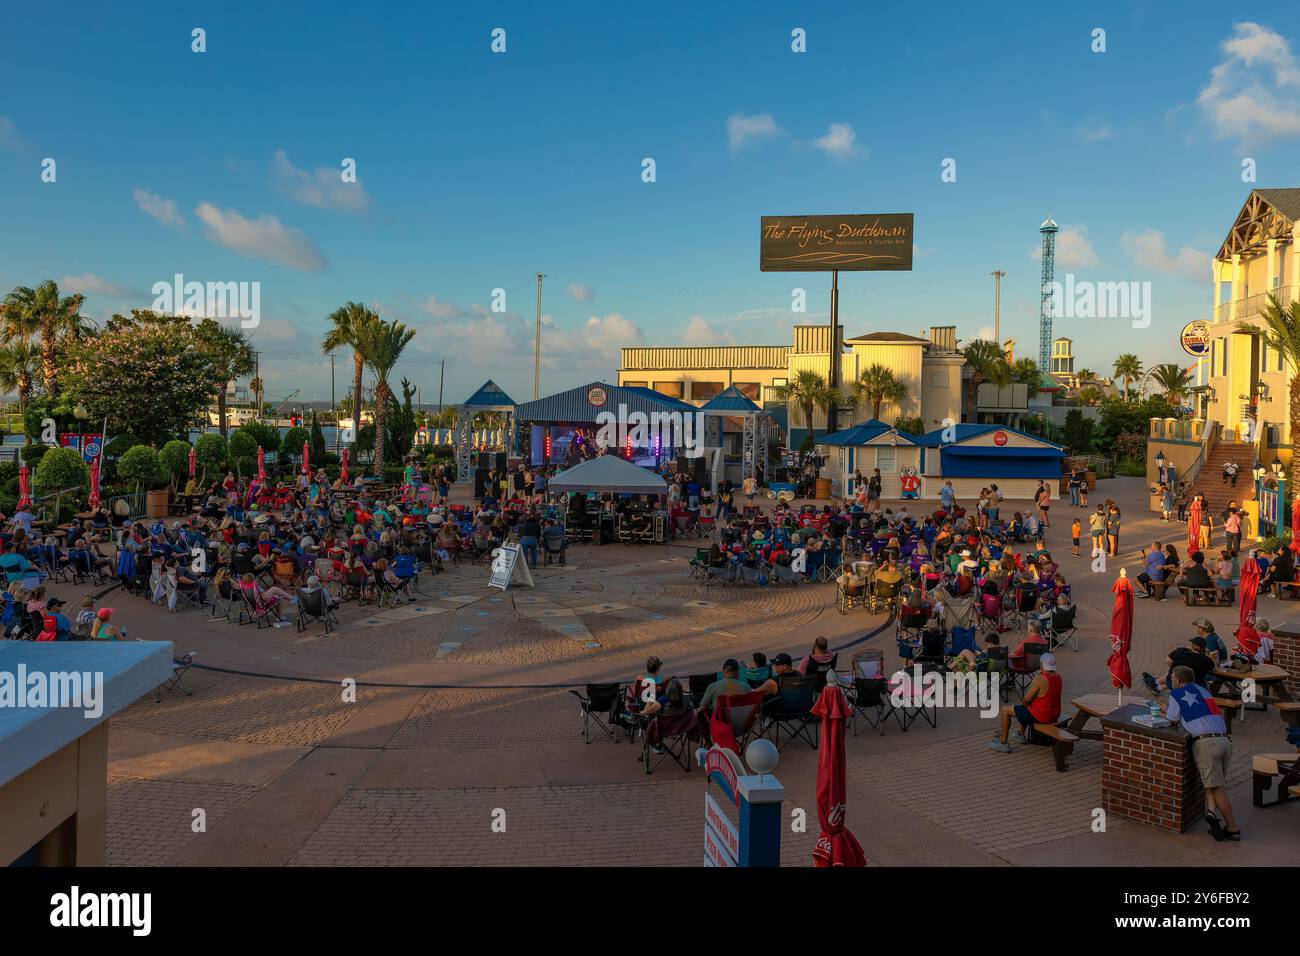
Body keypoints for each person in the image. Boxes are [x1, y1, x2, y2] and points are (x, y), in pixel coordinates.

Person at [1161, 665, 1239, 841]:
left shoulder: (1176, 694)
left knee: (1217, 787)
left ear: (1178, 680)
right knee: (1212, 782)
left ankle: (1233, 828)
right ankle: (1211, 812)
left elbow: (1172, 720)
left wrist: (1165, 712)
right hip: (1224, 740)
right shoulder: (1203, 690)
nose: (1171, 680)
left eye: (1172, 677)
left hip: (1205, 743)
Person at [988, 652, 1062, 753]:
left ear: (1041, 665)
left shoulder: (1040, 679)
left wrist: (1023, 705)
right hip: (1054, 714)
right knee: (1026, 708)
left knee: (1006, 710)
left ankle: (1003, 743)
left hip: (1042, 716)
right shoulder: (1058, 677)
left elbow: (1026, 699)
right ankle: (1021, 734)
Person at [1142, 633, 1216, 693]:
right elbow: (1214, 668)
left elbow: (1168, 660)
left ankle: (1156, 685)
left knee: (1176, 672)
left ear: (1192, 645)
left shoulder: (1181, 650)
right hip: (1194, 685)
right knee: (1180, 674)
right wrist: (1210, 656)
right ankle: (1156, 684)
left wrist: (1176, 667)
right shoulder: (1206, 660)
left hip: (1172, 682)